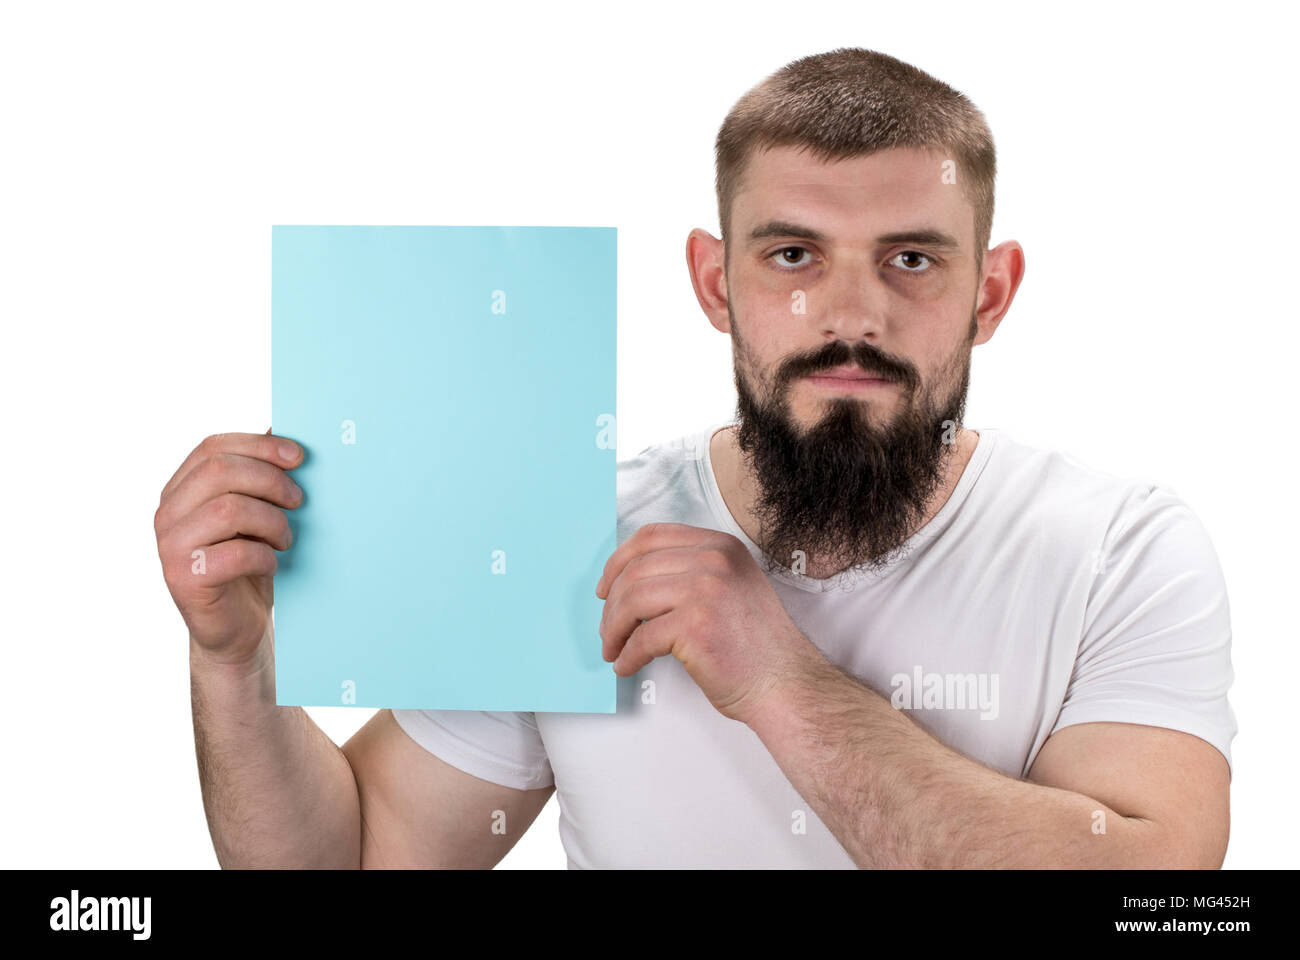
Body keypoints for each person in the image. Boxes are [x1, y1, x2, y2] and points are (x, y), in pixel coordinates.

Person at [155, 47, 1235, 869]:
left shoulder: (1118, 548)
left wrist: (778, 679)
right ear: (715, 284)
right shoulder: (569, 533)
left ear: (987, 293)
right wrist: (236, 664)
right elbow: (349, 864)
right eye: (792, 255)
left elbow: (1153, 901)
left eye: (910, 258)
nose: (847, 313)